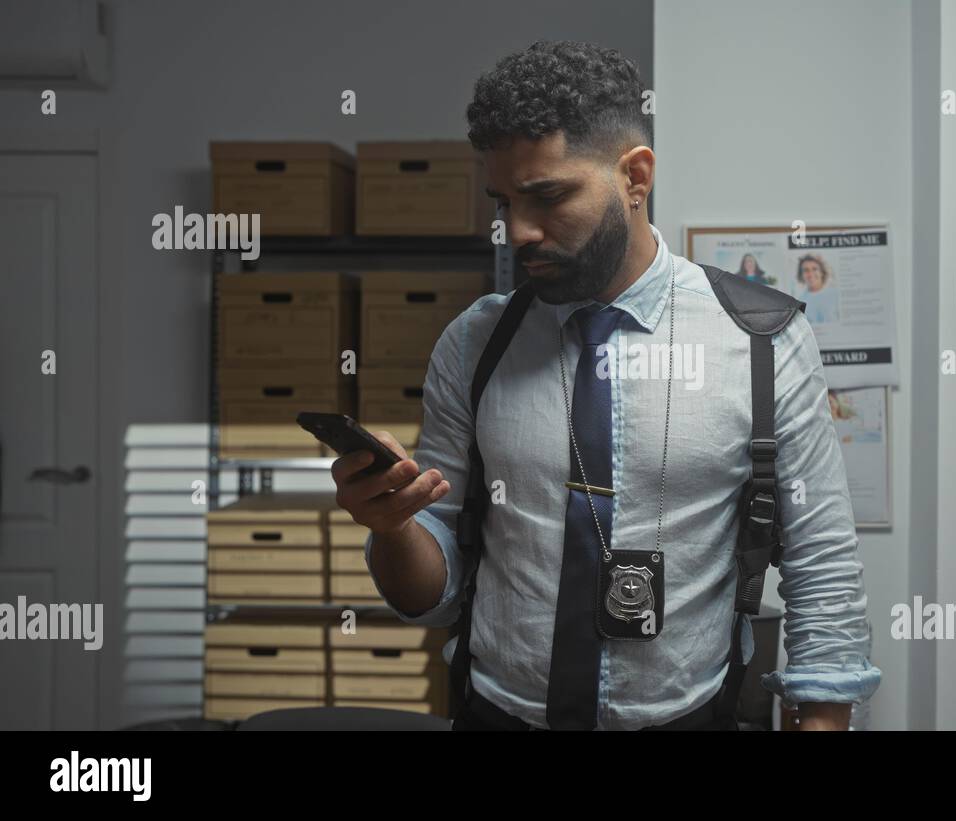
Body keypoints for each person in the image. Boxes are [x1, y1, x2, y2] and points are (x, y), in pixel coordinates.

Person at [331, 40, 879, 731]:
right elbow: (428, 594)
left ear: (635, 176)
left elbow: (823, 567)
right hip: (497, 714)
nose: (517, 232)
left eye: (547, 196)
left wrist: (822, 721)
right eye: (503, 202)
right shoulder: (474, 342)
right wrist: (391, 527)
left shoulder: (763, 340)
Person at [796, 253, 841, 325]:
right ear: (802, 275)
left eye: (814, 269)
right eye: (806, 270)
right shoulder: (800, 301)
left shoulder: (836, 294)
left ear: (822, 272)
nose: (810, 274)